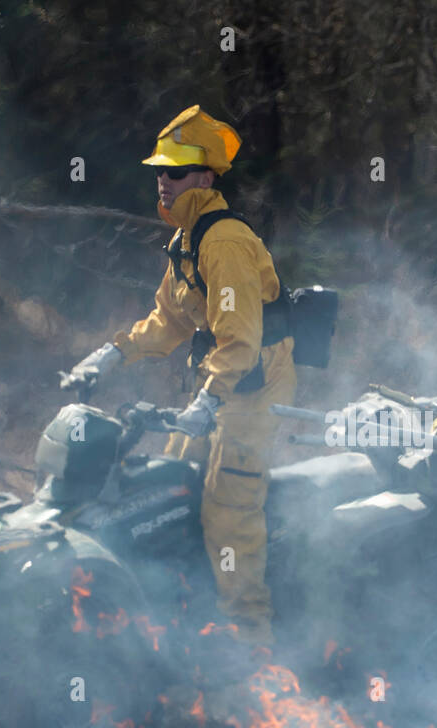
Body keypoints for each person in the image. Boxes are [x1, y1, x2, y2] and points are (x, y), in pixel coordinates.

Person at [62, 105, 294, 645]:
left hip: (253, 393)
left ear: (205, 178)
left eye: (174, 173)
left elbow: (240, 340)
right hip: (218, 389)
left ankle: (251, 643)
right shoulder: (187, 242)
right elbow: (167, 322)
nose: (162, 183)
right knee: (171, 485)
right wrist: (110, 355)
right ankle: (190, 613)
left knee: (224, 513)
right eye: (158, 172)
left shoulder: (225, 242)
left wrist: (208, 402)